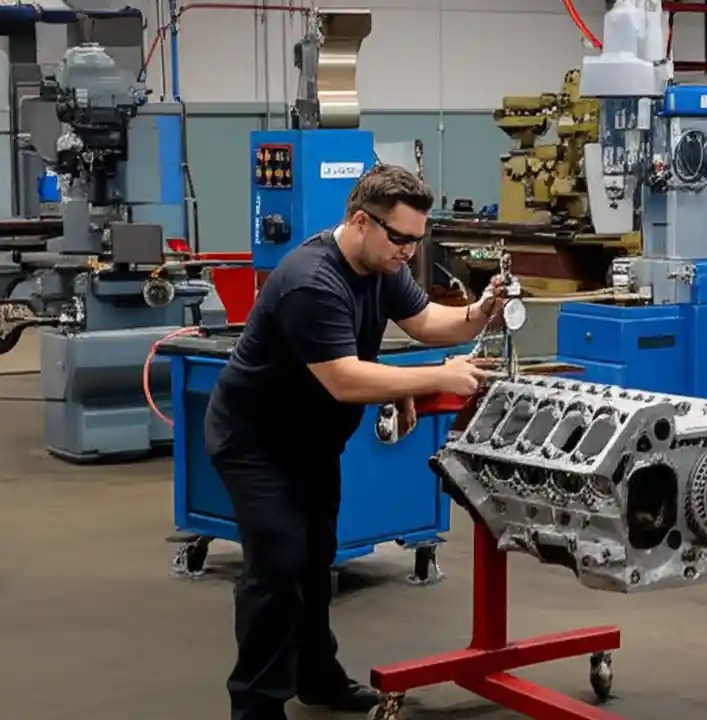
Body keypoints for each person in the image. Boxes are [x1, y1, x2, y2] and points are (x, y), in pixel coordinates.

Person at [204, 164, 505, 720]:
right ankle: (255, 706)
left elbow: (428, 322)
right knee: (277, 570)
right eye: (401, 239)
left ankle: (317, 679)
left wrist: (480, 312)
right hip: (257, 444)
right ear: (361, 221)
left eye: (417, 241)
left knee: (316, 562)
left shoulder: (380, 263)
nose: (409, 253)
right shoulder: (310, 280)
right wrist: (436, 377)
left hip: (313, 439)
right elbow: (344, 378)